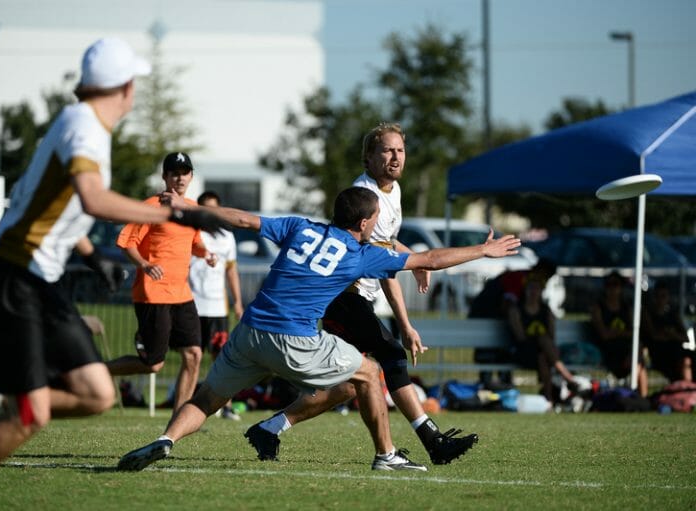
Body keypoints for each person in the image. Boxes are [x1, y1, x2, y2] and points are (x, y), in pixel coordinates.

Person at [0, 37, 228, 511]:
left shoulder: (84, 127)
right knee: (33, 413)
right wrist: (176, 217)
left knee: (96, 394)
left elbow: (58, 207)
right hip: (8, 275)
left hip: (34, 278)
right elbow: (91, 198)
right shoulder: (85, 128)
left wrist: (91, 254)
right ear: (125, 87)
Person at [116, 186, 521, 473]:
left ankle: (167, 439)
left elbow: (240, 218)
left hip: (250, 331)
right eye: (375, 220)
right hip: (294, 339)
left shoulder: (297, 226)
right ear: (363, 223)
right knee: (368, 372)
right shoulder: (360, 256)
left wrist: (185, 205)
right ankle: (387, 455)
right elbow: (429, 260)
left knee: (207, 398)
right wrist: (483, 251)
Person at [245, 122, 475, 466]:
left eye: (399, 150)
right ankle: (432, 441)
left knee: (352, 384)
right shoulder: (365, 194)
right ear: (368, 157)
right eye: (386, 150)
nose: (395, 157)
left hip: (355, 298)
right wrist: (406, 323)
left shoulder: (392, 191)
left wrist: (411, 256)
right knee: (392, 352)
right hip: (343, 296)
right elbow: (382, 268)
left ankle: (271, 427)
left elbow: (384, 243)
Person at [105, 152, 215, 412]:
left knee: (194, 355)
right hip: (153, 293)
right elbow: (126, 242)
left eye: (184, 172)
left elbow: (194, 241)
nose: (179, 177)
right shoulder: (152, 206)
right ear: (164, 176)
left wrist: (206, 253)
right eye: (174, 172)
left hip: (182, 293)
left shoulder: (190, 209)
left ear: (191, 177)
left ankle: (179, 419)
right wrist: (144, 264)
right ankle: (96, 370)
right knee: (153, 364)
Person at [189, 190, 244, 420]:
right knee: (192, 356)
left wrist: (237, 301)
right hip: (191, 303)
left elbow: (231, 271)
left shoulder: (226, 237)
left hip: (217, 306)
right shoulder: (191, 232)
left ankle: (227, 406)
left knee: (221, 357)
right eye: (205, 208)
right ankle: (186, 404)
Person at [468, 258, 558, 387]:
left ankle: (503, 386)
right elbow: (508, 305)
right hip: (484, 314)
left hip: (495, 319)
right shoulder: (519, 278)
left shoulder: (529, 282)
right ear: (541, 271)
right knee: (489, 354)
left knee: (503, 353)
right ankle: (486, 386)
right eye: (547, 276)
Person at [506, 273, 576, 405]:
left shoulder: (546, 311)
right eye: (531, 288)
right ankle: (568, 377)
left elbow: (552, 337)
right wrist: (540, 340)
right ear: (525, 290)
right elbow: (521, 337)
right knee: (543, 341)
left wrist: (543, 342)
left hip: (545, 354)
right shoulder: (516, 310)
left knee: (543, 356)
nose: (533, 291)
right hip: (523, 352)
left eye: (537, 288)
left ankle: (549, 400)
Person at [589, 271, 648, 396]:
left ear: (621, 287)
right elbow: (604, 334)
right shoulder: (598, 307)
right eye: (609, 284)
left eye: (615, 284)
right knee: (638, 360)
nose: (612, 288)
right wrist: (623, 333)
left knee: (638, 356)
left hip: (627, 350)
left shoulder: (626, 308)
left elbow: (635, 333)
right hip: (608, 350)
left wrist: (615, 332)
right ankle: (635, 396)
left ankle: (640, 397)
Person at [642, 281, 693, 382]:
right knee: (683, 360)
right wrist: (671, 334)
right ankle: (685, 390)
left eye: (664, 296)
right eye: (658, 296)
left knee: (688, 358)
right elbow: (655, 335)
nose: (661, 299)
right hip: (660, 354)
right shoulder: (648, 315)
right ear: (654, 297)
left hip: (676, 351)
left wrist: (671, 334)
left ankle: (689, 390)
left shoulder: (673, 315)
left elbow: (686, 338)